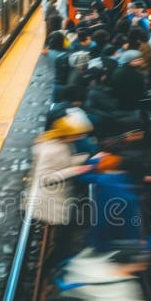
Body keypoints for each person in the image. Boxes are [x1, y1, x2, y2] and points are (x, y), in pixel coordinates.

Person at [28, 110, 94, 261]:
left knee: (67, 227)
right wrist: (74, 170)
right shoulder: (51, 149)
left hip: (56, 196)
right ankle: (53, 262)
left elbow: (63, 163)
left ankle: (56, 258)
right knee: (66, 230)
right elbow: (44, 178)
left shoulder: (61, 144)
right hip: (48, 200)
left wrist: (84, 159)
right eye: (76, 134)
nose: (79, 137)